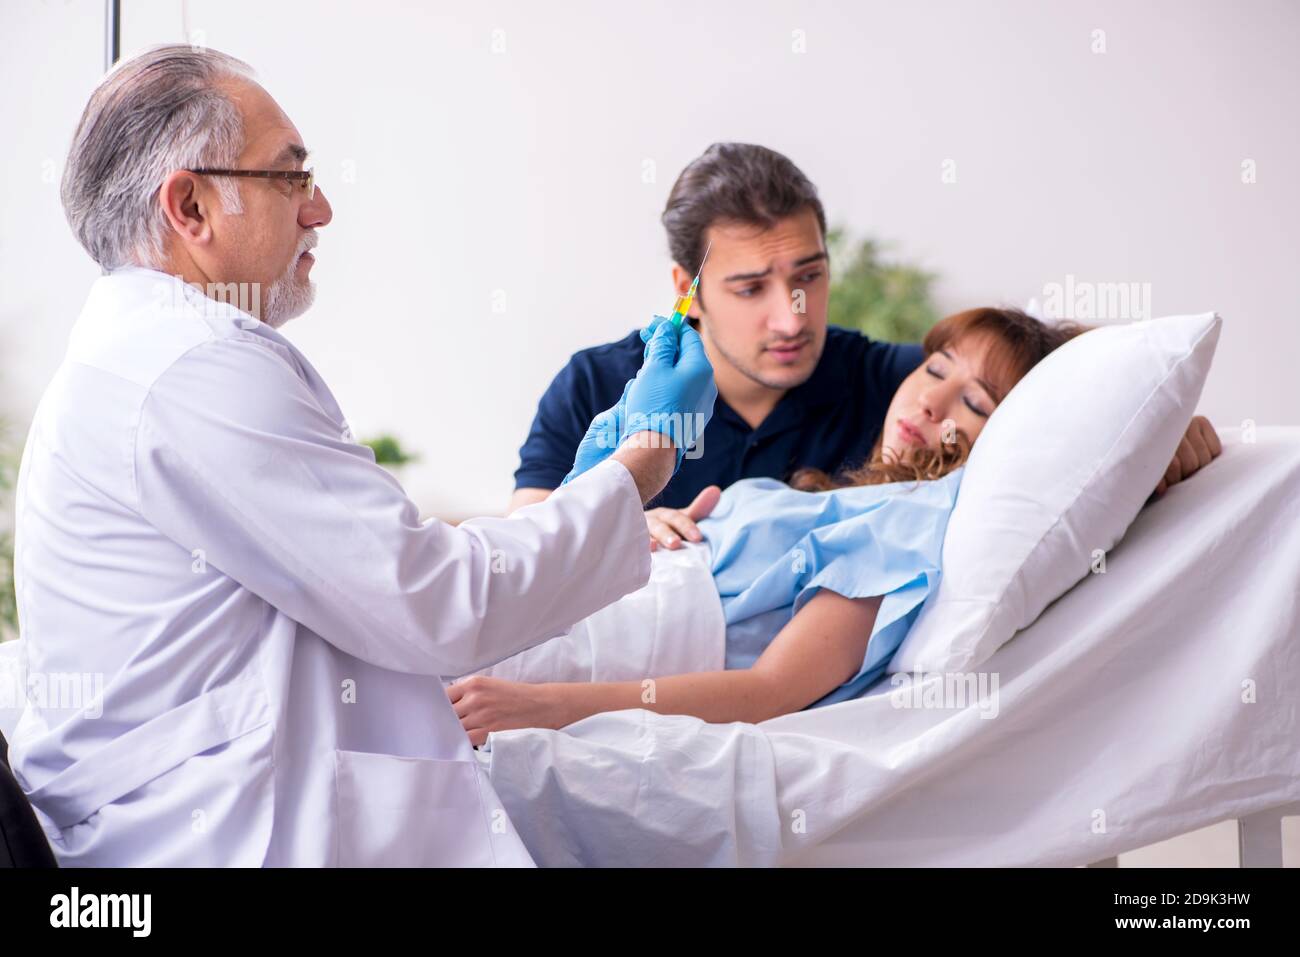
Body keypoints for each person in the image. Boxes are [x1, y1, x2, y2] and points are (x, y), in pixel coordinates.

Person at [8, 45, 714, 867]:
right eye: (291, 177)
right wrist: (641, 466)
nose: (322, 210)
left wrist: (595, 485)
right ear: (191, 206)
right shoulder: (192, 366)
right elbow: (437, 599)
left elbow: (377, 566)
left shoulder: (137, 355)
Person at [450, 307, 1213, 743]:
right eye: (936, 368)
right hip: (591, 590)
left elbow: (770, 689)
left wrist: (539, 710)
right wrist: (641, 522)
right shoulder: (842, 495)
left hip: (601, 647)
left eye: (976, 405)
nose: (929, 402)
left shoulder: (916, 522)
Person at [509, 142, 1221, 549]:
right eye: (752, 288)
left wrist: (1164, 424)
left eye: (809, 277)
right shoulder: (597, 384)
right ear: (685, 290)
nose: (792, 319)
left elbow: (1044, 382)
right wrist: (622, 515)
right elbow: (520, 552)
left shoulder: (888, 381)